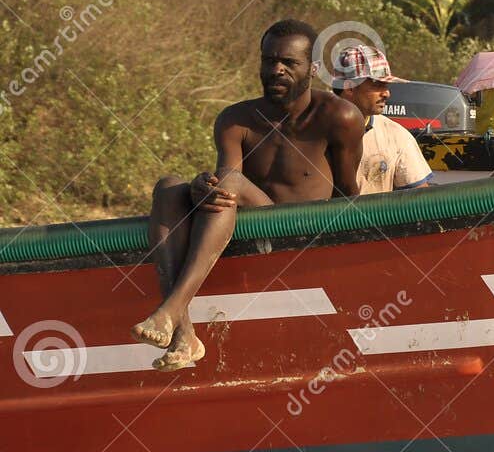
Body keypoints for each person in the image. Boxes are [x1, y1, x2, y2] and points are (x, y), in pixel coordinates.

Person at [133, 19, 365, 370]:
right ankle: (183, 333)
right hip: (249, 225)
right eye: (269, 61)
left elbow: (348, 193)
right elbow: (224, 195)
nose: (277, 70)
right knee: (168, 187)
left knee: (227, 180)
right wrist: (202, 188)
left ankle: (171, 310)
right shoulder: (235, 119)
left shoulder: (340, 116)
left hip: (298, 232)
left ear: (313, 69)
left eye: (290, 63)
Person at [326, 44, 432, 194]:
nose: (387, 93)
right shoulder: (312, 131)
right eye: (377, 84)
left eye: (386, 85)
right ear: (349, 87)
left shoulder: (397, 136)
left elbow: (420, 199)